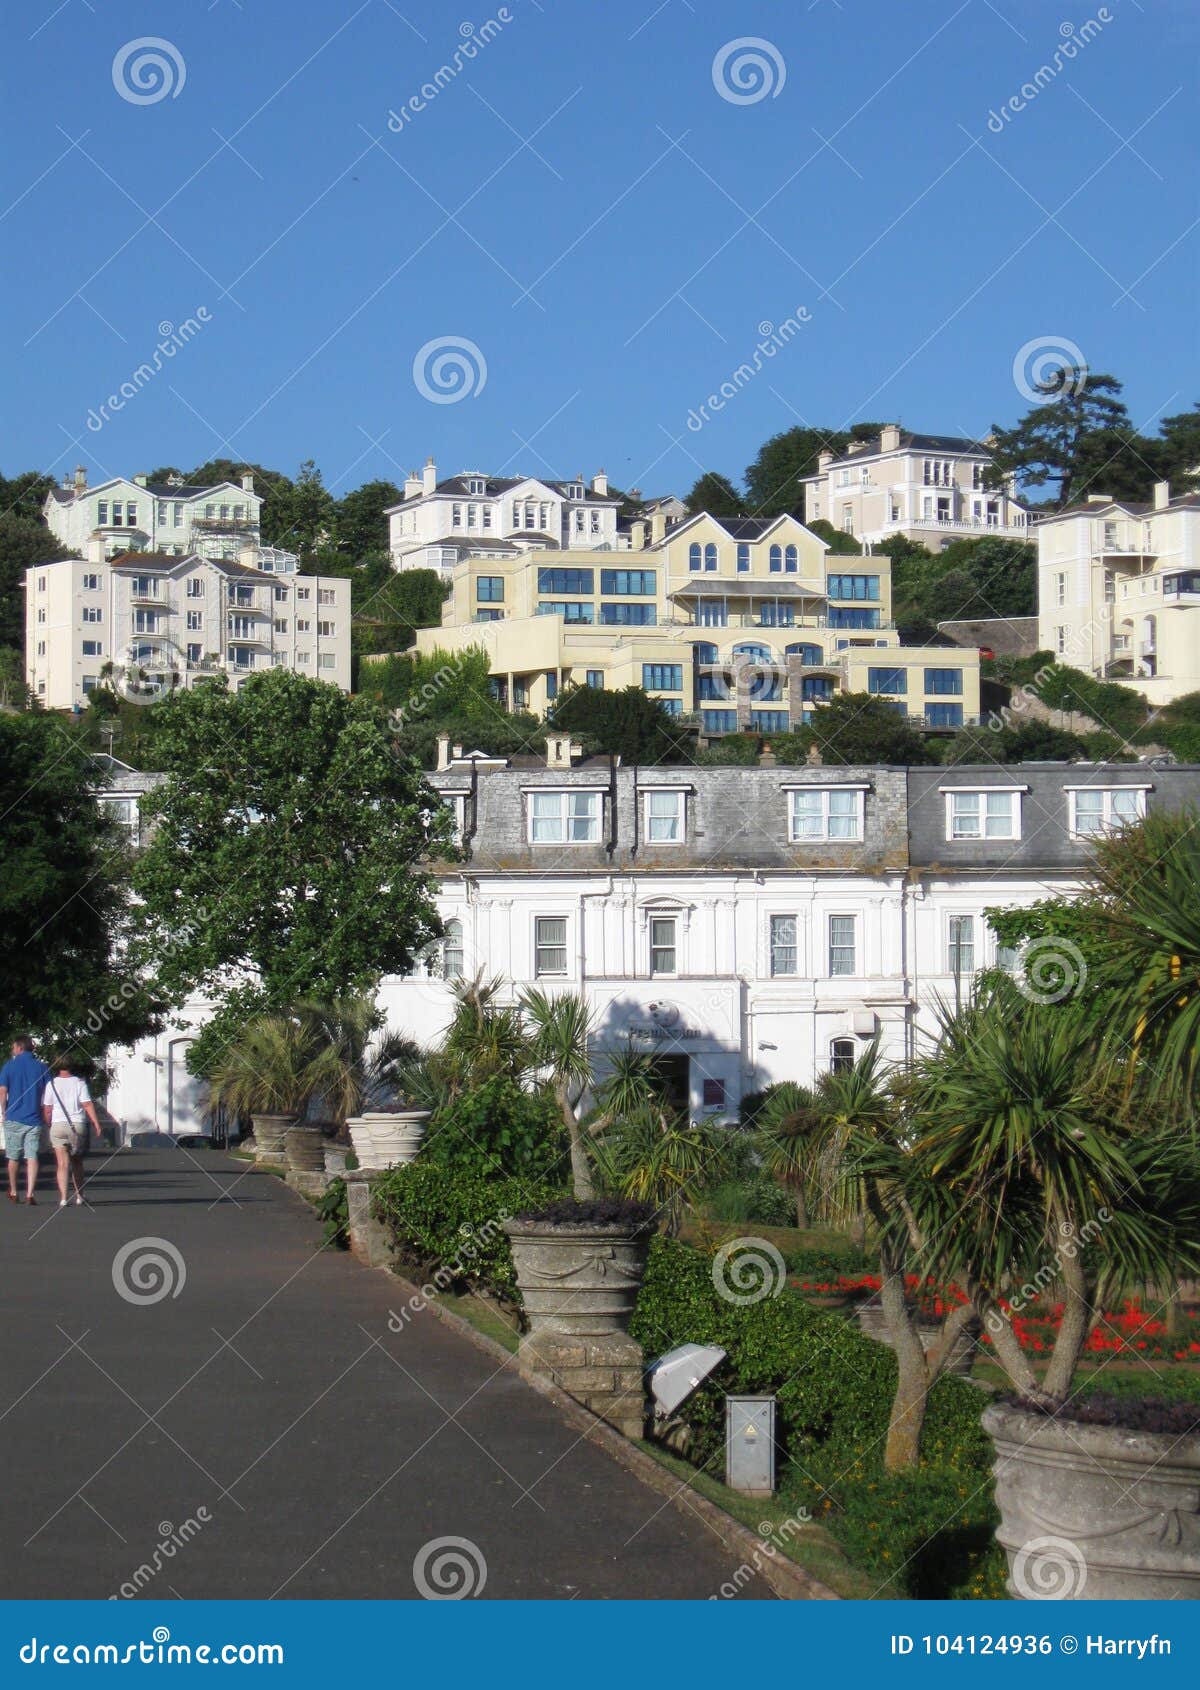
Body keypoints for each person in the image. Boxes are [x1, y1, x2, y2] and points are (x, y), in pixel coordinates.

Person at [0, 1036, 52, 1205]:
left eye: (13, 1046)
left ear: (19, 1047)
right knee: (32, 1155)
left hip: (14, 1116)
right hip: (34, 1117)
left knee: (13, 1156)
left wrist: (3, 1111)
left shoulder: (9, 1066)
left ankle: (14, 1190)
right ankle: (30, 1193)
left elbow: (2, 1092)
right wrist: (46, 1112)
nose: (12, 1049)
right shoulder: (42, 1067)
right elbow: (48, 1093)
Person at [42, 1060, 100, 1209]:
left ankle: (63, 1198)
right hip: (77, 1125)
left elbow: (48, 1108)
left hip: (58, 1124)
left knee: (62, 1164)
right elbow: (87, 1104)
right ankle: (80, 1195)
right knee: (77, 1162)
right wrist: (96, 1123)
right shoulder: (79, 1083)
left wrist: (49, 1124)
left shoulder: (52, 1084)